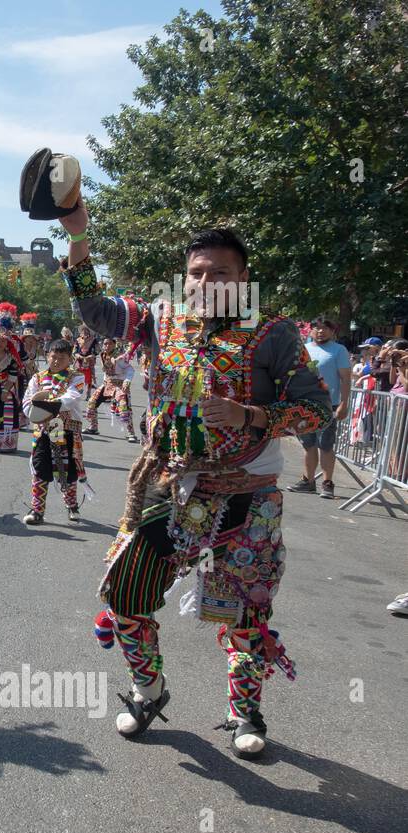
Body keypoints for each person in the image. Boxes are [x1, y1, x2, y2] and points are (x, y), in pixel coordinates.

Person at [50, 190, 331, 757]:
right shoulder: (160, 317)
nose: (206, 282)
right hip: (169, 485)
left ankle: (245, 710)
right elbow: (96, 311)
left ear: (244, 276)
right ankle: (148, 687)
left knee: (244, 610)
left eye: (220, 272)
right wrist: (78, 235)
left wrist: (252, 415)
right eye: (196, 273)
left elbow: (317, 409)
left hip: (246, 494)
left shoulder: (273, 332)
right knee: (125, 589)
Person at [21, 339, 92, 525]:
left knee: (67, 469)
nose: (56, 361)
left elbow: (72, 397)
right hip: (44, 430)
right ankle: (37, 510)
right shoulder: (37, 378)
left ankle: (72, 505)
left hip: (66, 429)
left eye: (62, 357)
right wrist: (33, 414)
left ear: (70, 359)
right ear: (47, 356)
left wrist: (49, 405)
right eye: (53, 356)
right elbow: (28, 400)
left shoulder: (76, 377)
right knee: (40, 468)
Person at [287, 316, 351, 499]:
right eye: (317, 327)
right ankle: (307, 481)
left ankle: (327, 483)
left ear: (333, 331)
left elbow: (346, 379)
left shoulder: (339, 350)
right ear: (310, 330)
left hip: (328, 405)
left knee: (326, 445)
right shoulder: (303, 350)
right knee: (308, 445)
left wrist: (344, 404)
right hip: (304, 404)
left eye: (325, 328)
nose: (321, 331)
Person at [84, 337, 139, 442]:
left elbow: (130, 369)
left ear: (114, 345)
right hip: (107, 384)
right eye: (105, 344)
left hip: (119, 385)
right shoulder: (103, 355)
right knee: (92, 402)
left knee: (124, 407)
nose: (107, 346)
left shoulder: (120, 357)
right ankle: (93, 427)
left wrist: (127, 381)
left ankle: (130, 433)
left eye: (109, 344)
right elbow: (106, 371)